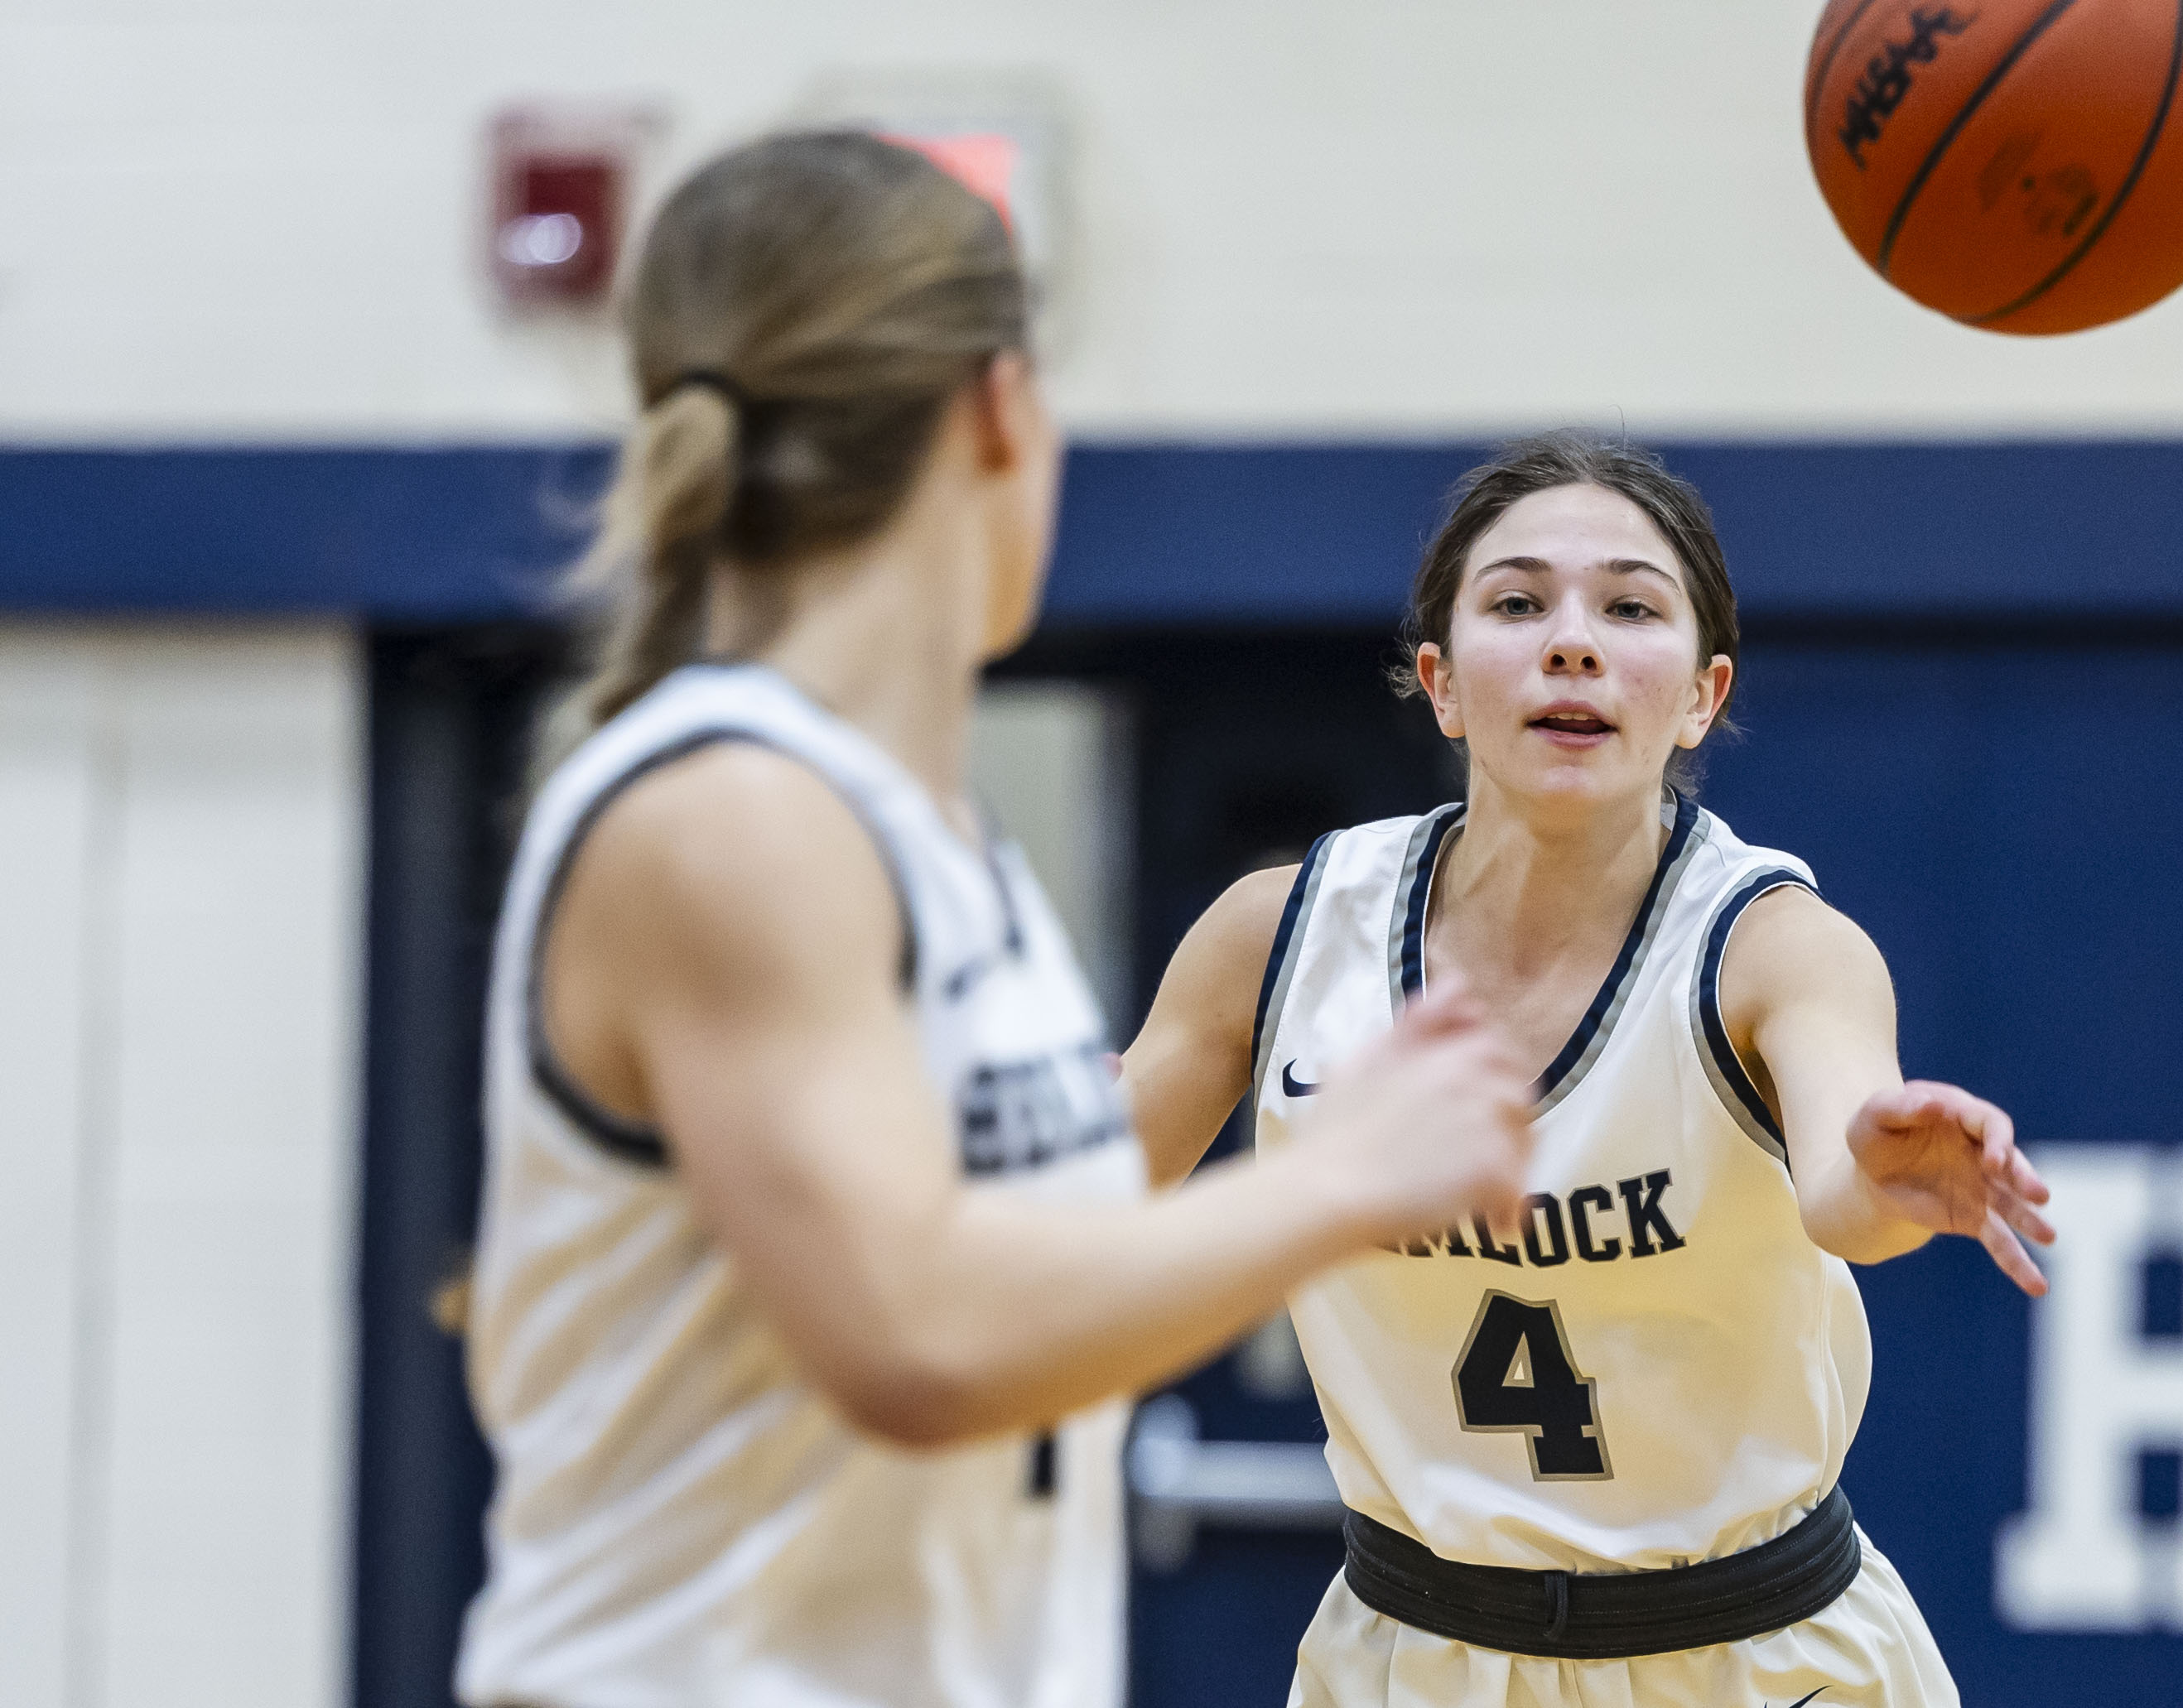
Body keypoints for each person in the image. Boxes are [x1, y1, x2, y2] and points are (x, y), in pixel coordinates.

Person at [453, 131, 1534, 1708]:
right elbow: (918, 1336)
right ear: (998, 410)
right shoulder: (732, 813)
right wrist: (1350, 1179)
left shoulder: (941, 843)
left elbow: (1008, 1280)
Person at [1120, 432, 2055, 1707]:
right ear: (1442, 686)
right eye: (1518, 603)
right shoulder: (1273, 940)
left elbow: (1845, 1187)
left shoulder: (1774, 948)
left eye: (1629, 606)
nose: (1573, 641)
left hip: (1753, 1655)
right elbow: (1068, 1207)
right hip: (1416, 1652)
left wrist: (1892, 1183)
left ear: (1701, 696)